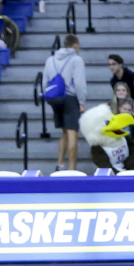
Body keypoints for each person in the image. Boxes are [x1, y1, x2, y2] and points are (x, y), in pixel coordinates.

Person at [41, 35, 87, 171]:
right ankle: (72, 169)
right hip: (70, 98)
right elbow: (79, 83)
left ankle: (60, 163)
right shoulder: (76, 60)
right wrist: (82, 101)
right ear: (75, 45)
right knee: (73, 133)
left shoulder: (51, 59)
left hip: (55, 98)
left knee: (65, 133)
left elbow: (45, 81)